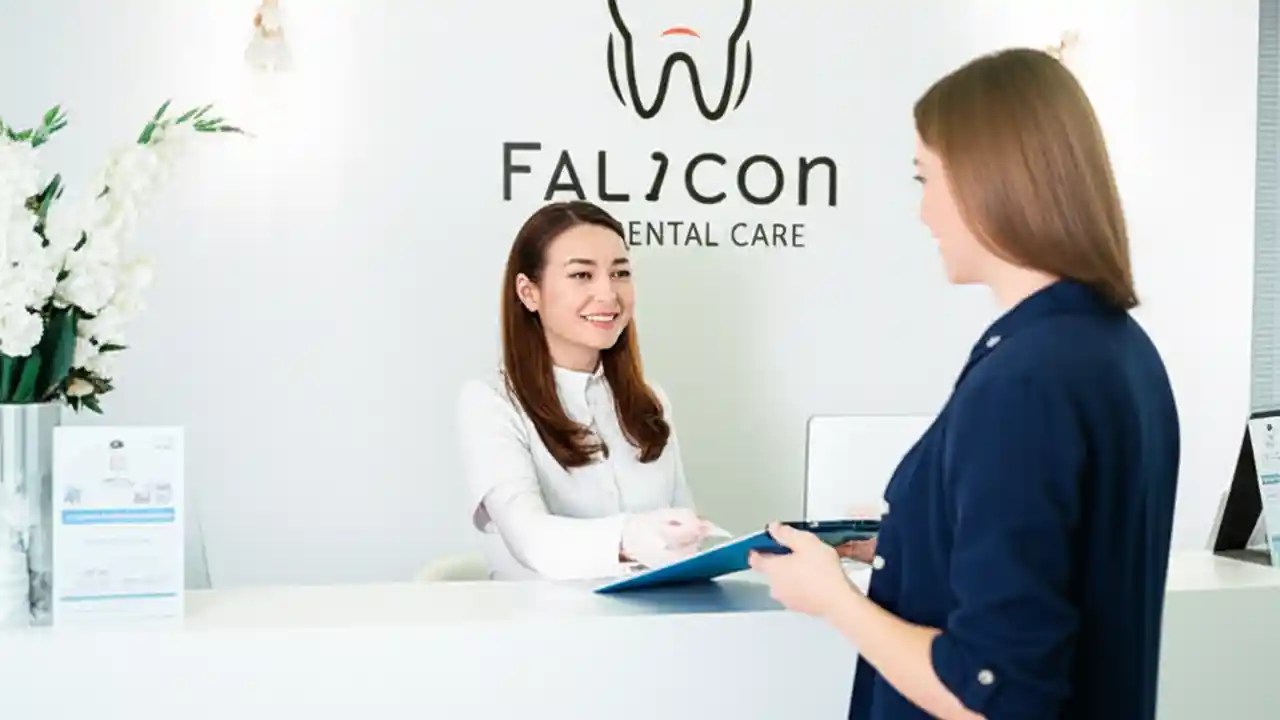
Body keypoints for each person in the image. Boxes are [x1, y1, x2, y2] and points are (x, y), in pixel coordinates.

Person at [749, 48, 1180, 719]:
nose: (922, 212)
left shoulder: (1025, 381)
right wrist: (912, 545)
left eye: (925, 179)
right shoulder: (1118, 350)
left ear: (987, 182)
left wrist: (832, 597)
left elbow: (992, 690)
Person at [457, 200, 713, 581]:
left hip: (654, 626)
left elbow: (685, 535)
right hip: (539, 630)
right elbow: (531, 541)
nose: (608, 294)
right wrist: (629, 537)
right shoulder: (491, 402)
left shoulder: (649, 400)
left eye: (620, 273)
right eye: (582, 275)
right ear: (529, 292)